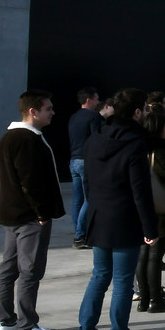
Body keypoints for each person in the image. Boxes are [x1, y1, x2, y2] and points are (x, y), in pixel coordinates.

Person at [77, 88, 159, 330]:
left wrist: (94, 208)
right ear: (135, 112)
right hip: (124, 219)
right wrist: (150, 228)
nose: (147, 113)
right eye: (145, 109)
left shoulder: (95, 138)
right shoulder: (135, 143)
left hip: (99, 216)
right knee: (123, 282)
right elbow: (140, 191)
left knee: (99, 277)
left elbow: (88, 182)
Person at [0, 89, 66, 330]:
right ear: (33, 111)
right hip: (28, 217)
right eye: (48, 109)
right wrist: (42, 213)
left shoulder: (7, 138)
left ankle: (6, 321)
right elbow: (30, 182)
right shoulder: (27, 140)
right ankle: (26, 328)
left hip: (11, 214)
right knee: (29, 271)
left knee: (9, 267)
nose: (52, 113)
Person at [136, 112, 165, 313]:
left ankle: (144, 298)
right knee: (155, 254)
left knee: (143, 254)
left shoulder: (137, 148)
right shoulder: (159, 150)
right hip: (159, 209)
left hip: (141, 206)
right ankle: (156, 298)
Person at [68, 87, 102, 250]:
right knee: (90, 198)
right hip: (86, 161)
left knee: (78, 200)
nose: (98, 102)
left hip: (74, 160)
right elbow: (97, 139)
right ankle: (80, 235)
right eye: (96, 99)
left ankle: (79, 233)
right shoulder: (94, 116)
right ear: (89, 100)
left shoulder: (73, 117)